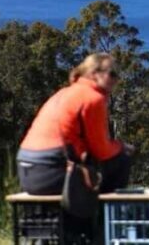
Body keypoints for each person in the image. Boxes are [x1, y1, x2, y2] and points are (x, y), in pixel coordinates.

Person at [17, 52, 133, 195]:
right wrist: (121, 147)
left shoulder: (64, 92)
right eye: (113, 74)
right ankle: (106, 212)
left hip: (27, 172)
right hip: (52, 171)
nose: (117, 80)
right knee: (122, 157)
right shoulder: (93, 99)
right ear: (94, 73)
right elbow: (101, 151)